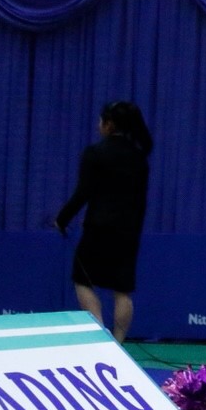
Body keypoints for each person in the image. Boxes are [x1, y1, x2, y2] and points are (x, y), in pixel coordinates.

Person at [55, 101, 153, 344]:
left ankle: (99, 334)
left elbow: (83, 193)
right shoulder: (139, 157)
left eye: (100, 121)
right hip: (128, 232)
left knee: (82, 278)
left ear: (108, 125)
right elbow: (140, 202)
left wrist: (62, 219)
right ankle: (118, 343)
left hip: (99, 229)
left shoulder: (95, 153)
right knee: (122, 291)